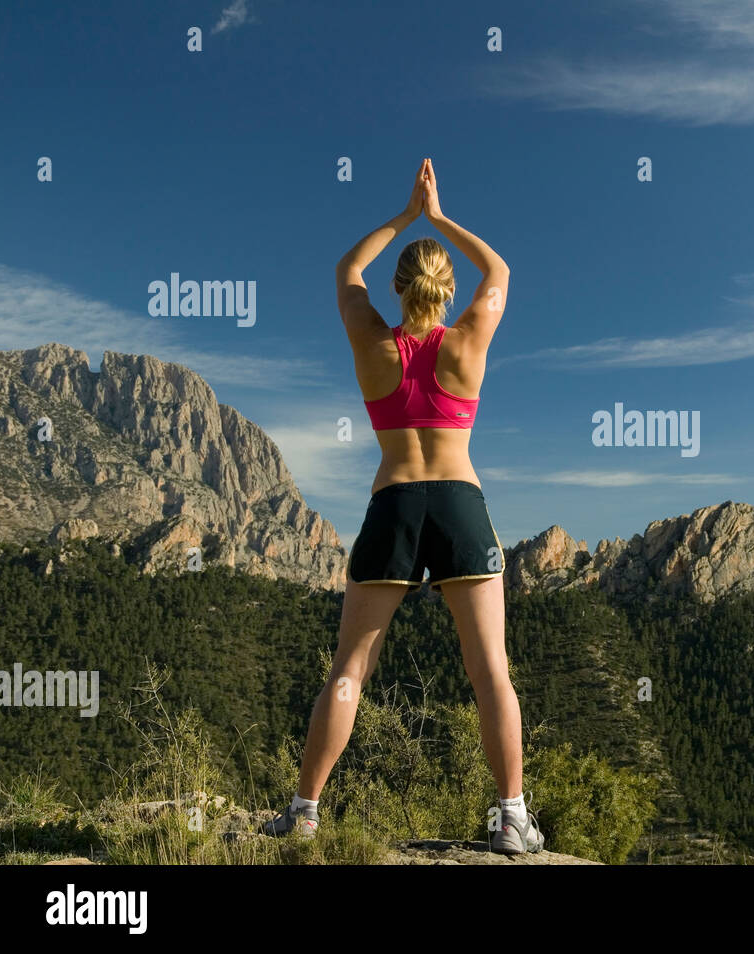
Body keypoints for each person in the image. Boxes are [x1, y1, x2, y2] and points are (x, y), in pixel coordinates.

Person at [262, 158, 542, 854]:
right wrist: (440, 215)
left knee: (349, 673)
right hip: (459, 502)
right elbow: (500, 272)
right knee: (491, 674)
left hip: (393, 502)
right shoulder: (469, 339)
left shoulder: (371, 339)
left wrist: (403, 216)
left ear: (398, 287)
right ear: (447, 291)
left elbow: (345, 272)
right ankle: (511, 817)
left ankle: (303, 812)